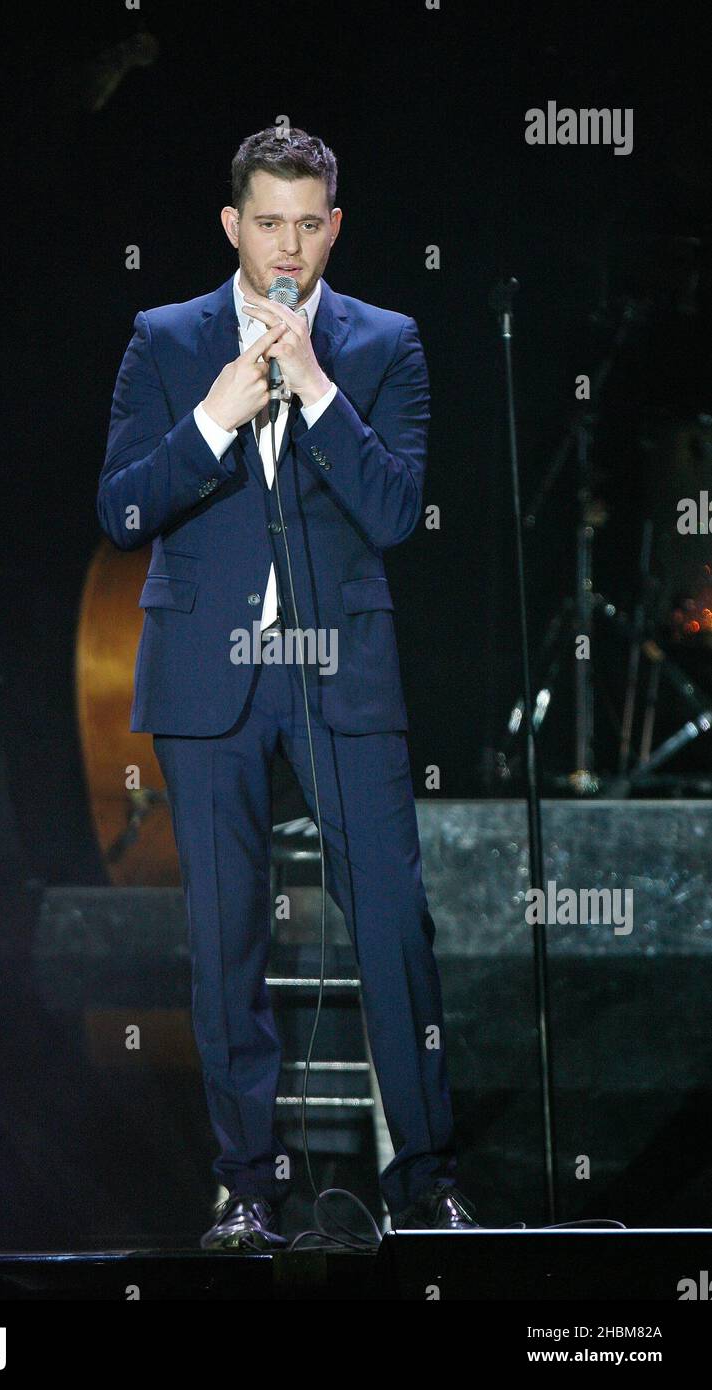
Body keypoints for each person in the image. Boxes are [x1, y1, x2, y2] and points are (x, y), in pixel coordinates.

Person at [97, 127, 476, 1249]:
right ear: (232, 225)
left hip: (336, 672)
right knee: (224, 939)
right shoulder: (163, 339)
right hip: (206, 678)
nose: (288, 248)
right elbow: (119, 510)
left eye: (309, 224)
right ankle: (245, 1187)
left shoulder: (383, 343)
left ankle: (426, 1181)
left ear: (335, 227)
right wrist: (216, 413)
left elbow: (396, 511)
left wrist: (312, 390)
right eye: (268, 222)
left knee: (396, 925)